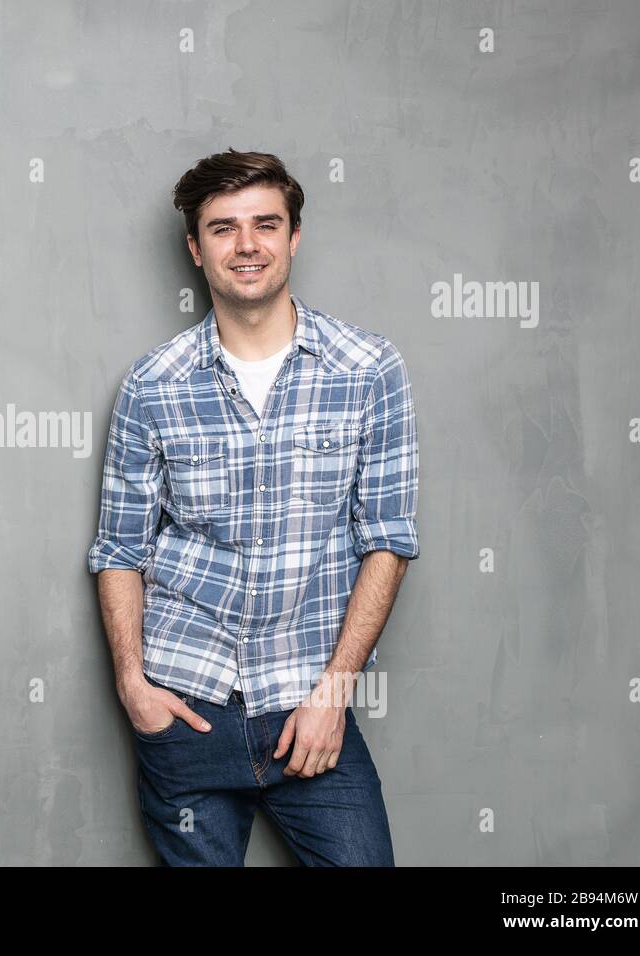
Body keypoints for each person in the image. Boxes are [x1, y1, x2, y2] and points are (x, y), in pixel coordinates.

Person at [87, 148, 421, 866]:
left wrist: (333, 694)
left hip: (306, 705)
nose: (247, 245)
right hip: (184, 709)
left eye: (265, 224)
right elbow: (120, 550)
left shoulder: (369, 369)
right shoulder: (153, 385)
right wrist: (132, 688)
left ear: (293, 237)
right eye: (223, 228)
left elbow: (388, 539)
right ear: (195, 249)